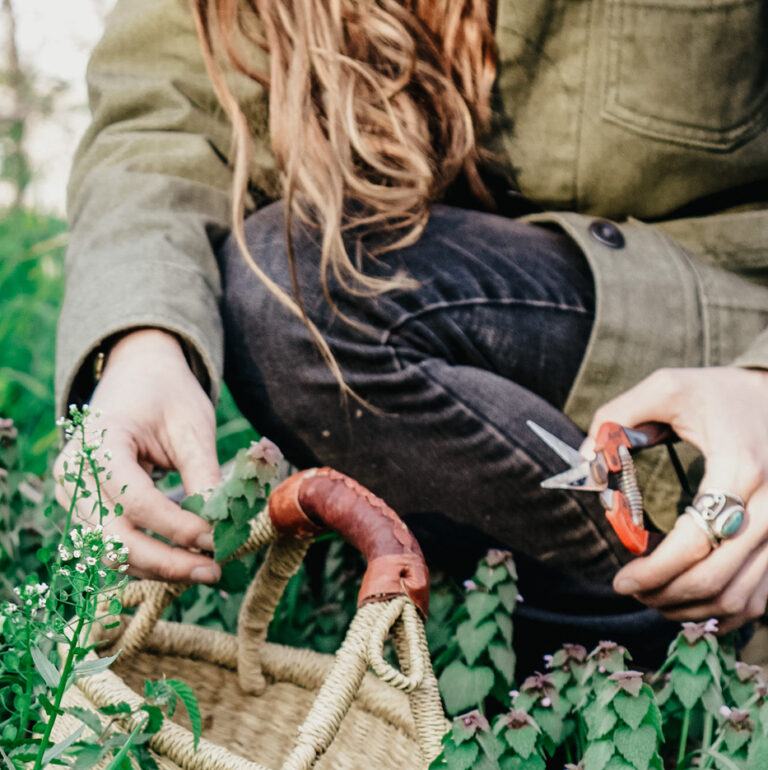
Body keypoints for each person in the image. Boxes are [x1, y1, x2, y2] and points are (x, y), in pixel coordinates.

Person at [53, 0, 768, 661]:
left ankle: (673, 666)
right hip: (466, 322)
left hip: (731, 312)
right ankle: (620, 650)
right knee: (299, 286)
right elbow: (165, 121)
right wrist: (140, 342)